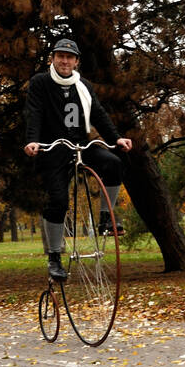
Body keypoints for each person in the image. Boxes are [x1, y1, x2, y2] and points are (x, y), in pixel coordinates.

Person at [23, 38, 132, 281]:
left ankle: (106, 218)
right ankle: (54, 258)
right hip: (53, 148)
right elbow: (35, 113)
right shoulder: (40, 83)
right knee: (58, 201)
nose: (64, 61)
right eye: (60, 56)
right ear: (52, 58)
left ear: (76, 61)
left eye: (69, 57)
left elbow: (99, 114)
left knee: (113, 162)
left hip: (81, 143)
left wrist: (116, 139)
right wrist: (33, 141)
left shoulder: (84, 85)